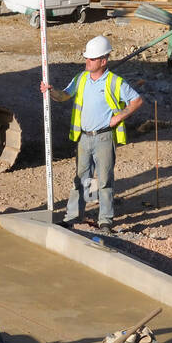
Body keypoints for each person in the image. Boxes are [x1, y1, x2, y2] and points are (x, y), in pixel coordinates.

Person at [40, 34, 142, 232]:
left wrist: (119, 117)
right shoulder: (82, 78)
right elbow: (64, 96)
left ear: (103, 61)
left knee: (103, 180)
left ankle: (105, 220)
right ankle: (73, 217)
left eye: (92, 59)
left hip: (104, 137)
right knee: (81, 178)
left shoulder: (115, 82)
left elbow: (136, 101)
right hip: (83, 138)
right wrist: (50, 91)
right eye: (87, 58)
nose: (87, 61)